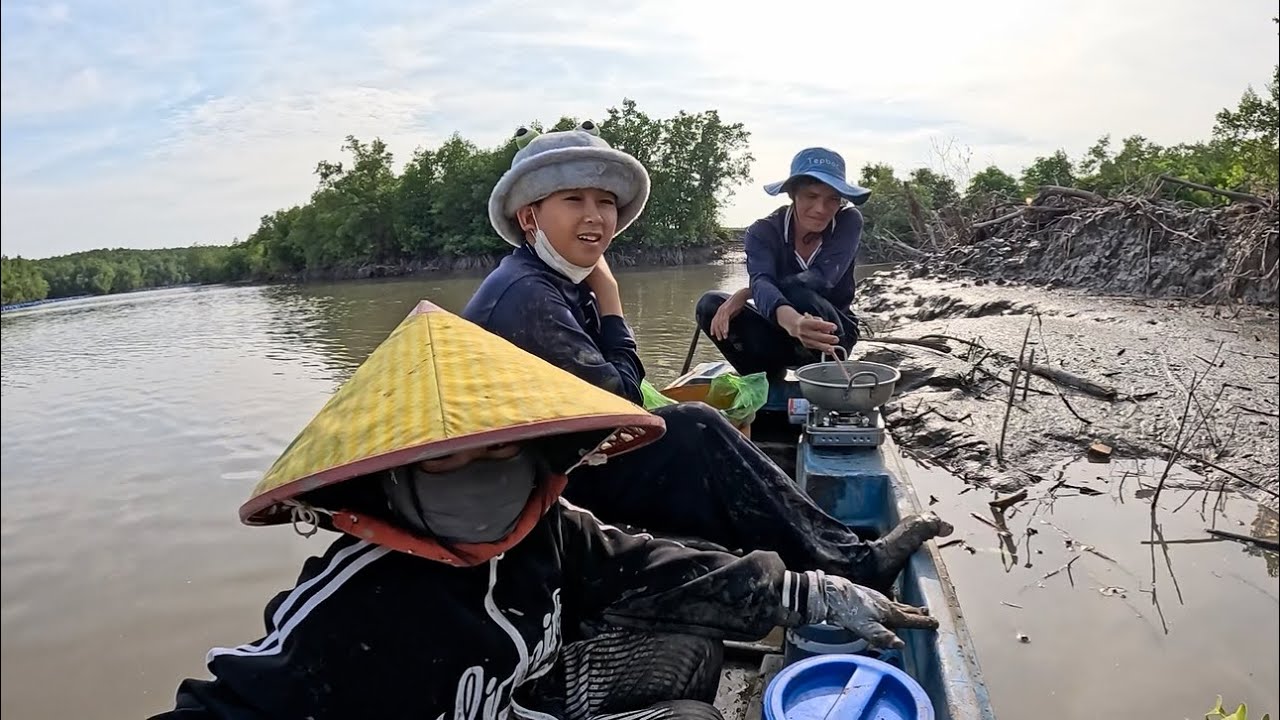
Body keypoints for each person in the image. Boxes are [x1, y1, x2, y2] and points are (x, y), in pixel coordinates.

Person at [150, 300, 940, 720]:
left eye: (498, 451)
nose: (482, 477)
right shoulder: (354, 605)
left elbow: (653, 567)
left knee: (697, 652)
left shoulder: (546, 525)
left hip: (533, 697)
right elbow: (233, 703)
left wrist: (806, 591)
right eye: (446, 458)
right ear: (387, 482)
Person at [462, 124, 949, 592]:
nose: (595, 216)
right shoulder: (529, 293)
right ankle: (851, 563)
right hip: (544, 486)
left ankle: (825, 551)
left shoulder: (556, 282)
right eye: (574, 200)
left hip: (571, 454)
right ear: (529, 217)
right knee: (697, 429)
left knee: (700, 432)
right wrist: (611, 297)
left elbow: (618, 395)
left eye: (605, 202)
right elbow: (624, 399)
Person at [696, 147, 870, 379]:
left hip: (833, 335)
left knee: (800, 294)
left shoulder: (848, 221)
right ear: (792, 195)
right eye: (811, 196)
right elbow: (763, 280)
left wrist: (747, 292)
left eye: (832, 199)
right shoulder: (763, 231)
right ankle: (766, 382)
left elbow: (822, 278)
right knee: (711, 304)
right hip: (781, 330)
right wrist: (792, 322)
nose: (821, 209)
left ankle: (826, 377)